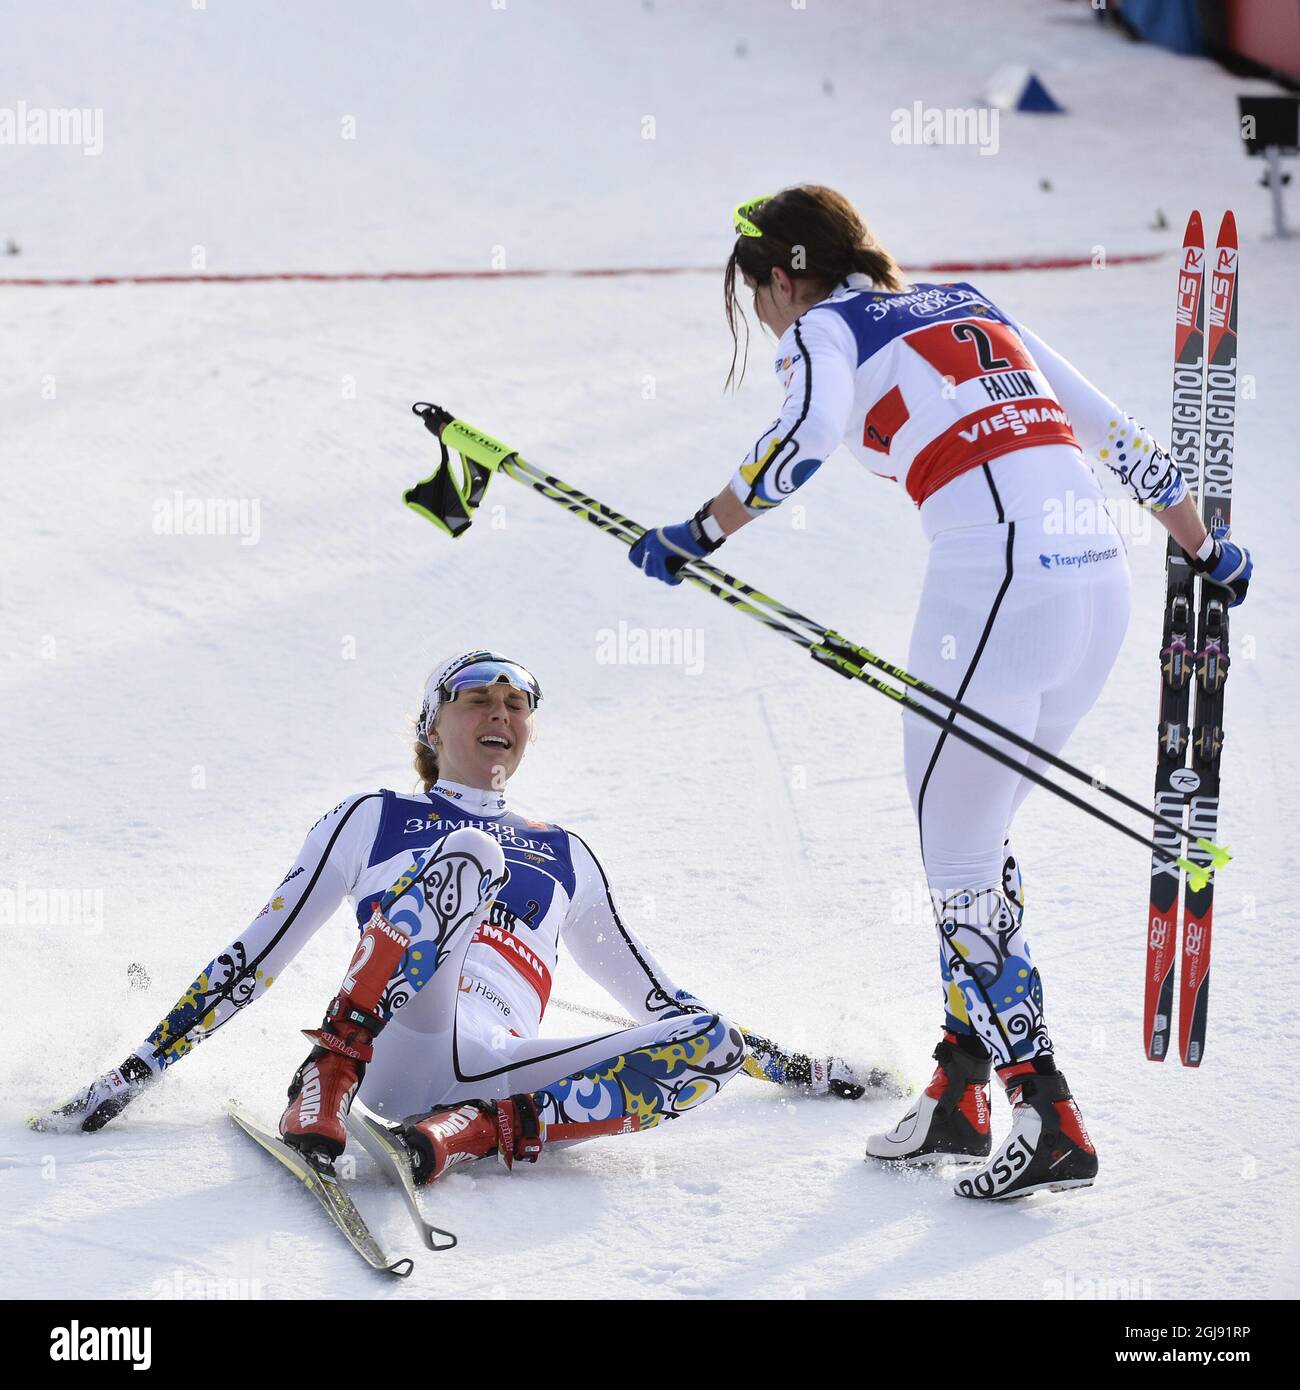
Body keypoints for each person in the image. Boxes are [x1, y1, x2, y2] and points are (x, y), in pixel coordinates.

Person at [628, 185, 1253, 1200]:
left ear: (784, 278)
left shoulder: (828, 324)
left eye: (763, 299)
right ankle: (961, 1088)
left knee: (957, 857)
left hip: (996, 585)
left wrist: (700, 531)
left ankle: (1044, 1107)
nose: (770, 320)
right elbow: (1119, 436)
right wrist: (1207, 547)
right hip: (1099, 590)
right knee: (973, 847)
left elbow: (802, 440)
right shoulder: (971, 305)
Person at [33, 651, 858, 1183]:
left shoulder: (564, 850)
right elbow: (257, 954)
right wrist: (130, 1075)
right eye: (475, 699)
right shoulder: (373, 816)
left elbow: (661, 1005)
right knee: (470, 852)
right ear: (432, 726)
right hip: (399, 1043)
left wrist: (796, 1069)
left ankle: (472, 1133)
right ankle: (329, 1074)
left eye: (517, 702)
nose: (500, 714)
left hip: (496, 1067)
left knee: (706, 1037)